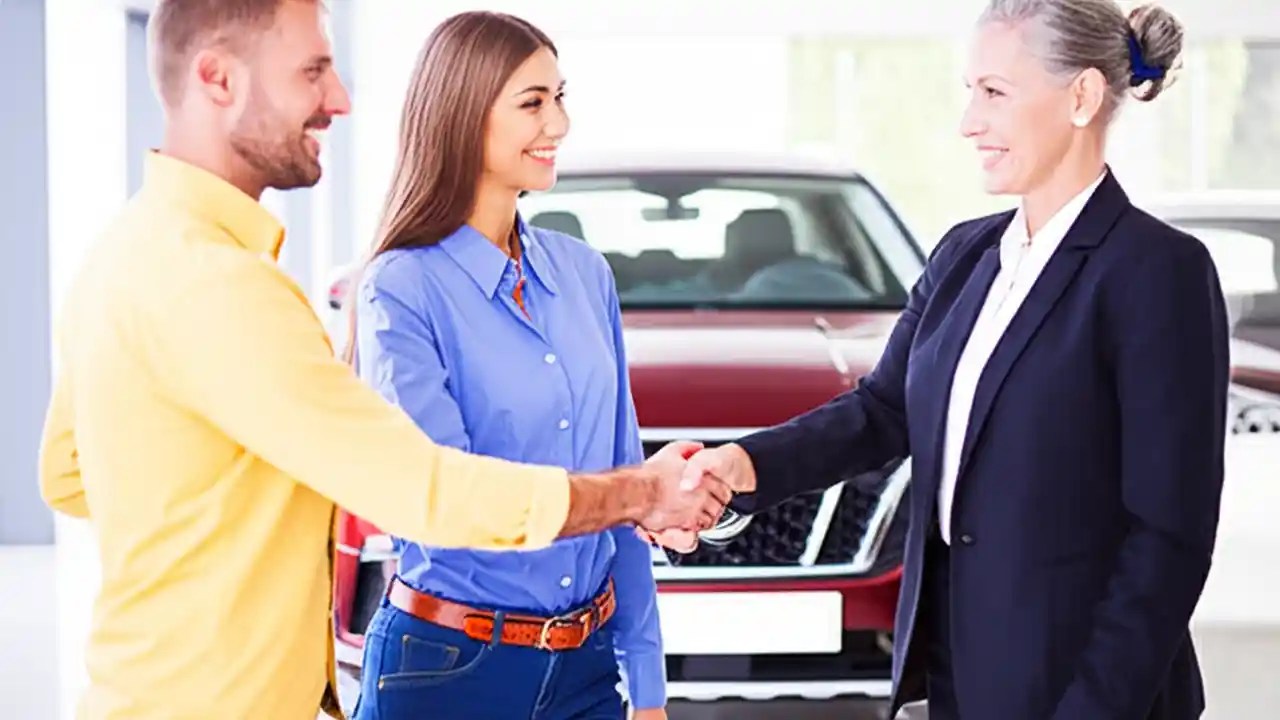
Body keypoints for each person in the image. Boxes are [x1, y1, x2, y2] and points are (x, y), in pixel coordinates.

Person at [37, 2, 729, 719]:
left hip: (157, 691)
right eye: (313, 71)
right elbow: (429, 494)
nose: (339, 98)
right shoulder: (232, 288)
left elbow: (69, 475)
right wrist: (642, 493)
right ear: (218, 79)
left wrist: (230, 525)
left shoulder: (122, 256)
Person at [661, 2, 1229, 719]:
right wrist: (743, 466)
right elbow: (882, 410)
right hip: (961, 677)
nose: (968, 121)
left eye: (994, 92)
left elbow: (1169, 537)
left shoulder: (1156, 271)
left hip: (1084, 690)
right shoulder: (966, 255)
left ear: (1081, 96)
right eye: (969, 91)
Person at [342, 12, 670, 720]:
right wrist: (632, 492)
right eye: (532, 103)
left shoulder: (584, 274)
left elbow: (627, 480)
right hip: (448, 671)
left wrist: (646, 685)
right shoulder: (401, 288)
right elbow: (446, 498)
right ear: (463, 115)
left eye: (560, 96)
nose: (559, 123)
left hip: (585, 672)